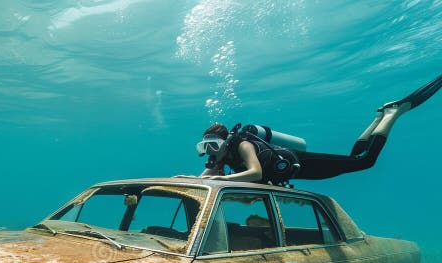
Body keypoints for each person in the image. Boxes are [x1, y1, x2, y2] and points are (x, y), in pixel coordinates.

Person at [183, 74, 442, 184]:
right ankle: (378, 118)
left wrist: (222, 178)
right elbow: (206, 176)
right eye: (205, 147)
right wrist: (192, 179)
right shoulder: (220, 156)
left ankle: (392, 114)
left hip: (302, 164)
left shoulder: (241, 144)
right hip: (296, 171)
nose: (209, 152)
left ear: (225, 142)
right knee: (355, 160)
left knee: (365, 162)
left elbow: (255, 172)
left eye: (212, 146)